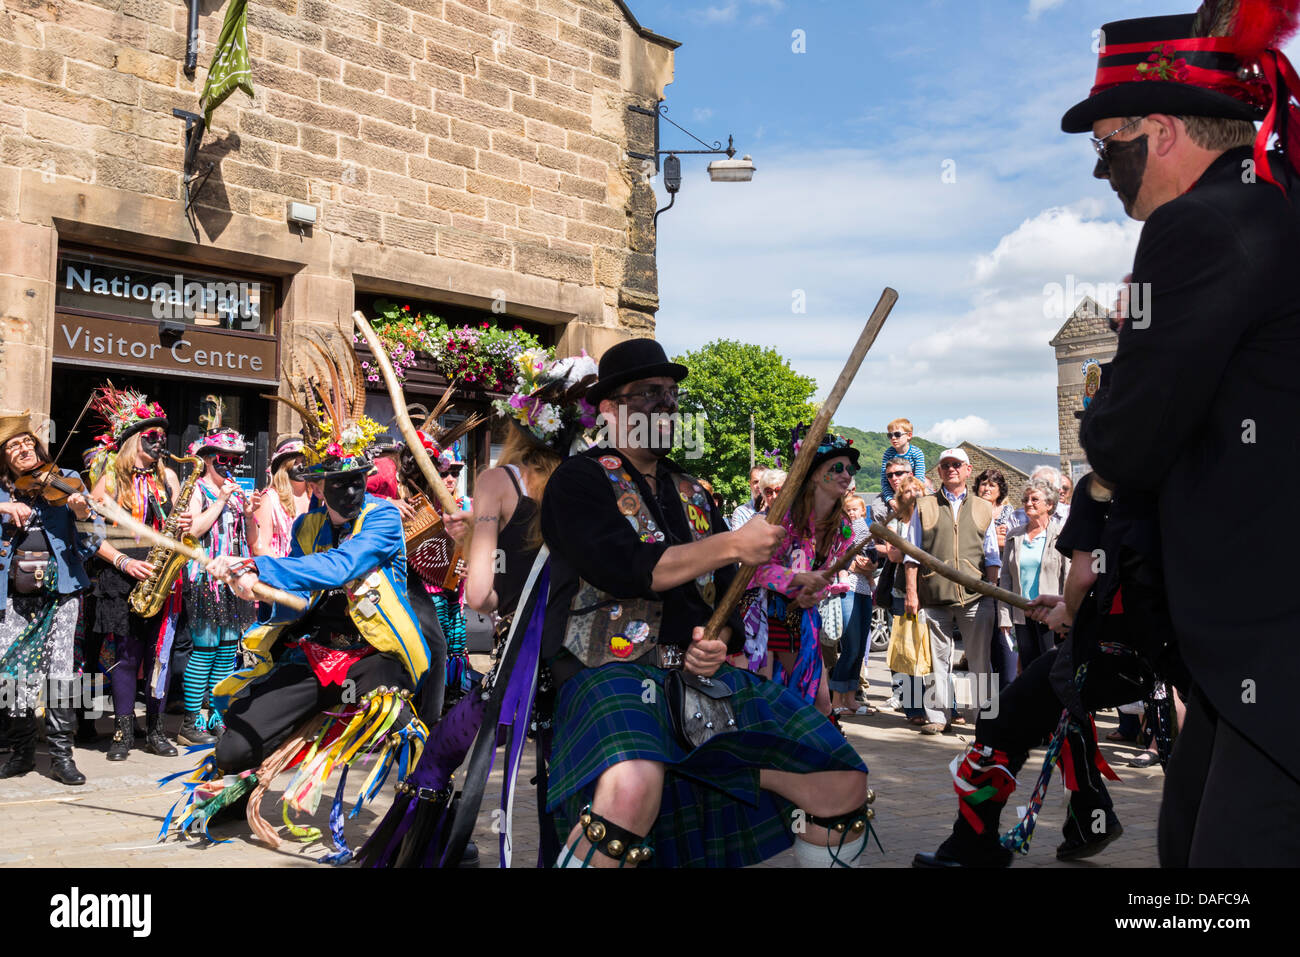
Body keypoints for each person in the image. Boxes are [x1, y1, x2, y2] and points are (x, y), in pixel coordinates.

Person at [1066, 4, 1300, 864]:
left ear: (1158, 130)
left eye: (1105, 144)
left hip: (1273, 645)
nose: (1101, 171)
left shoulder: (1201, 226)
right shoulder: (1273, 205)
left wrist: (1109, 400)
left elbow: (1125, 442)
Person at [541, 338, 873, 868]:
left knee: (840, 780)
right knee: (633, 784)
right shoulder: (578, 480)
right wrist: (733, 544)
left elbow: (725, 594)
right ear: (609, 408)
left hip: (698, 678)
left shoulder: (694, 491)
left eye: (672, 394)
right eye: (649, 393)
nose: (666, 405)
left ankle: (717, 769)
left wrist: (719, 639)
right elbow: (631, 568)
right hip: (606, 671)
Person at [85, 384, 186, 762]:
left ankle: (156, 730)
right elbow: (90, 535)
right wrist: (124, 561)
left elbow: (176, 529)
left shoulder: (166, 479)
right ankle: (122, 733)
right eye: (151, 436)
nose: (160, 442)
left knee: (158, 655)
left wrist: (185, 523)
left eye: (162, 436)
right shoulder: (110, 477)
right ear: (132, 441)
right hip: (122, 575)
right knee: (125, 656)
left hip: (161, 576)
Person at [0, 413, 100, 786]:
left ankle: (61, 757)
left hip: (61, 594)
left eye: (27, 443)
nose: (23, 449)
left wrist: (82, 513)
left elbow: (92, 544)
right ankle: (23, 753)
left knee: (60, 675)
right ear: (4, 458)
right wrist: (5, 508)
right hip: (14, 597)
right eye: (13, 446)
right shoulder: (3, 490)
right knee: (11, 674)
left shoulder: (67, 480)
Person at [743, 429, 858, 715]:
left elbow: (826, 575)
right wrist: (795, 580)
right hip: (763, 614)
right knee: (770, 694)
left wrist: (815, 591)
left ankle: (810, 754)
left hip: (803, 618)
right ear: (816, 475)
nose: (846, 474)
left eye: (849, 469)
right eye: (837, 468)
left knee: (818, 702)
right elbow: (754, 569)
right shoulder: (784, 516)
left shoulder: (842, 527)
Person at [902, 448, 1000, 733]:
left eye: (956, 464)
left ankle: (988, 718)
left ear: (968, 470)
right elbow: (911, 555)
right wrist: (912, 593)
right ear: (939, 471)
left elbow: (992, 555)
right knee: (936, 662)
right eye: (945, 465)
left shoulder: (983, 507)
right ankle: (937, 717)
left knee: (981, 661)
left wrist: (992, 591)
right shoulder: (924, 505)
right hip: (933, 595)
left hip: (975, 597)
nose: (951, 469)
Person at [177, 428, 258, 745]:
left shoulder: (238, 492)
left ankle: (216, 717)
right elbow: (193, 531)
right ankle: (190, 721)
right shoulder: (197, 489)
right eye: (224, 458)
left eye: (236, 460)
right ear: (208, 459)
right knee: (205, 650)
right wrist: (221, 500)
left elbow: (250, 540)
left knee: (227, 652)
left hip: (233, 580)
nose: (231, 465)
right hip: (206, 579)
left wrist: (249, 514)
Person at [996, 479, 1069, 679]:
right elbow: (1006, 579)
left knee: (1052, 667)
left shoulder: (1061, 536)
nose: (1028, 503)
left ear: (1050, 505)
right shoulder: (1014, 536)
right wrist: (1004, 616)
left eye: (1035, 499)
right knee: (1029, 671)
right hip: (1022, 613)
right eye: (1026, 499)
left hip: (1051, 614)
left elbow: (1068, 578)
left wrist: (1068, 613)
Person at [831, 493, 877, 716]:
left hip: (864, 591)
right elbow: (838, 558)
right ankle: (835, 698)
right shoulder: (841, 530)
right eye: (848, 510)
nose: (852, 513)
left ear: (863, 512)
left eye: (856, 510)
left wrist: (866, 567)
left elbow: (874, 559)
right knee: (849, 646)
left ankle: (851, 697)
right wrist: (854, 566)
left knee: (859, 649)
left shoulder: (866, 531)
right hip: (847, 589)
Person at [251, 436, 313, 558]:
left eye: (305, 462)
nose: (301, 467)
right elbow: (259, 547)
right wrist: (289, 568)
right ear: (284, 466)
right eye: (295, 462)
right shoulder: (270, 500)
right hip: (282, 571)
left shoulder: (318, 497)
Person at [879, 418, 925, 503]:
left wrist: (909, 494)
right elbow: (885, 480)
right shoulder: (888, 454)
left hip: (912, 490)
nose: (893, 438)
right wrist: (890, 500)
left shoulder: (916, 453)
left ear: (909, 435)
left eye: (897, 434)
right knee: (878, 506)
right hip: (893, 492)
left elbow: (919, 478)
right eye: (890, 435)